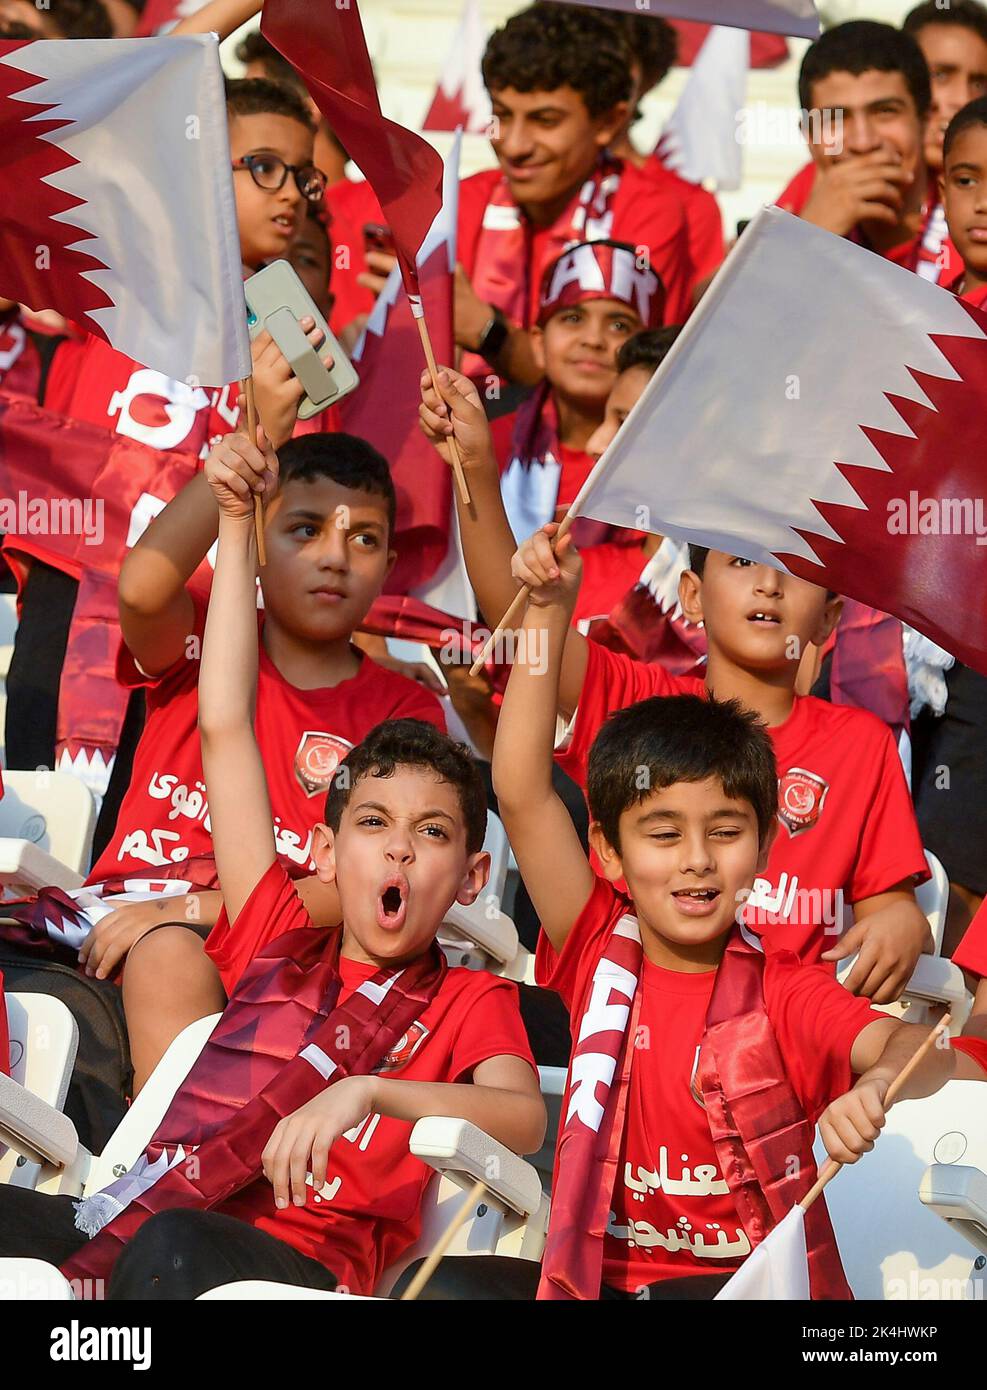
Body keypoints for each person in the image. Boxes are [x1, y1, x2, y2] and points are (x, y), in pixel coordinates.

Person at [0, 428, 544, 1300]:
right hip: (152, 1214)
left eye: (433, 833)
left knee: (173, 1250)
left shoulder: (468, 997)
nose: (400, 846)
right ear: (324, 852)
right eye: (372, 821)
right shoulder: (280, 934)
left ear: (473, 880)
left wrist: (369, 1092)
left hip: (306, 1264)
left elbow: (521, 1117)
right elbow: (224, 720)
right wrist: (232, 521)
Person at [397, 549, 982, 1301]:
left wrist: (876, 1087)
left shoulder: (786, 992)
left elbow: (917, 1050)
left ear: (766, 847)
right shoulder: (593, 945)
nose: (696, 862)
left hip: (743, 1290)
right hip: (591, 1282)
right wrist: (545, 610)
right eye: (664, 835)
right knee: (437, 1286)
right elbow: (517, 787)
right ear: (607, 850)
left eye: (725, 833)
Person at [418, 370, 931, 997]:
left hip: (791, 1037)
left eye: (794, 569)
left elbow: (890, 907)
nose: (769, 584)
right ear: (691, 593)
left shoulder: (860, 743)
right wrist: (473, 466)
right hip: (634, 1011)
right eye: (742, 560)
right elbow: (520, 613)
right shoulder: (643, 706)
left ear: (830, 613)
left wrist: (903, 923)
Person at [2, 77, 326, 814]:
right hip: (74, 585)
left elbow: (299, 509)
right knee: (43, 849)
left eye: (304, 176)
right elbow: (80, 113)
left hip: (207, 631)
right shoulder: (110, 267)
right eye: (264, 167)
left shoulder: (297, 335)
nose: (291, 196)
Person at [454, 2, 691, 394]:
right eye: (503, 115)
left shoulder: (649, 211)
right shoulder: (466, 199)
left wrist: (486, 332)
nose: (514, 146)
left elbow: (612, 382)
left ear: (609, 122)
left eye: (545, 121)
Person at [499, 239, 664, 544]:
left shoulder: (664, 467)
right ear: (538, 343)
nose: (593, 339)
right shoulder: (489, 444)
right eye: (572, 319)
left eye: (619, 326)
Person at [778, 21, 942, 275]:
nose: (863, 143)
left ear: (926, 119)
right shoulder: (789, 224)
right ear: (809, 136)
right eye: (835, 118)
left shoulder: (974, 224)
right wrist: (806, 243)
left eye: (885, 112)